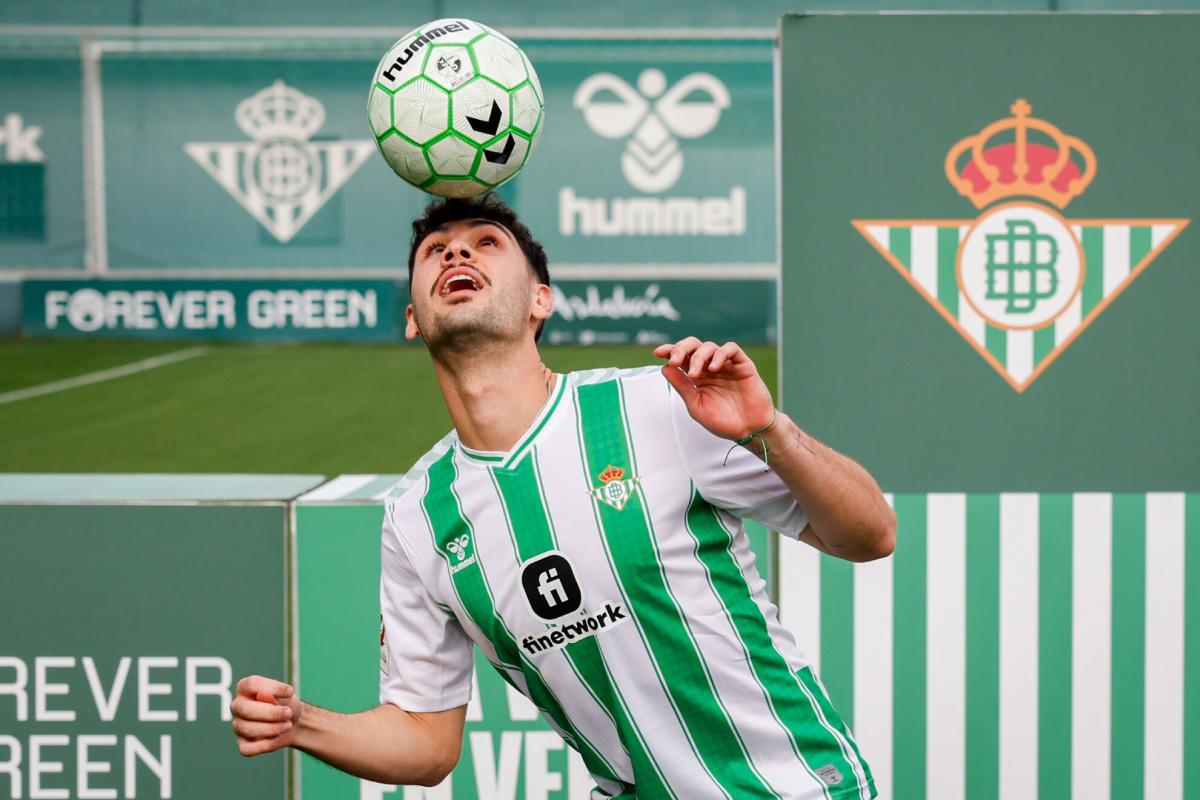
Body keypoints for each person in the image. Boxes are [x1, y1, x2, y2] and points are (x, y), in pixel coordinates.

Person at [231, 194, 894, 799]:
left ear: (540, 300)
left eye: (486, 242)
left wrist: (767, 429)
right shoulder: (417, 516)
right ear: (412, 318)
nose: (457, 252)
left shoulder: (659, 405)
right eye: (437, 251)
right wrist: (301, 722)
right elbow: (427, 744)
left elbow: (870, 534)